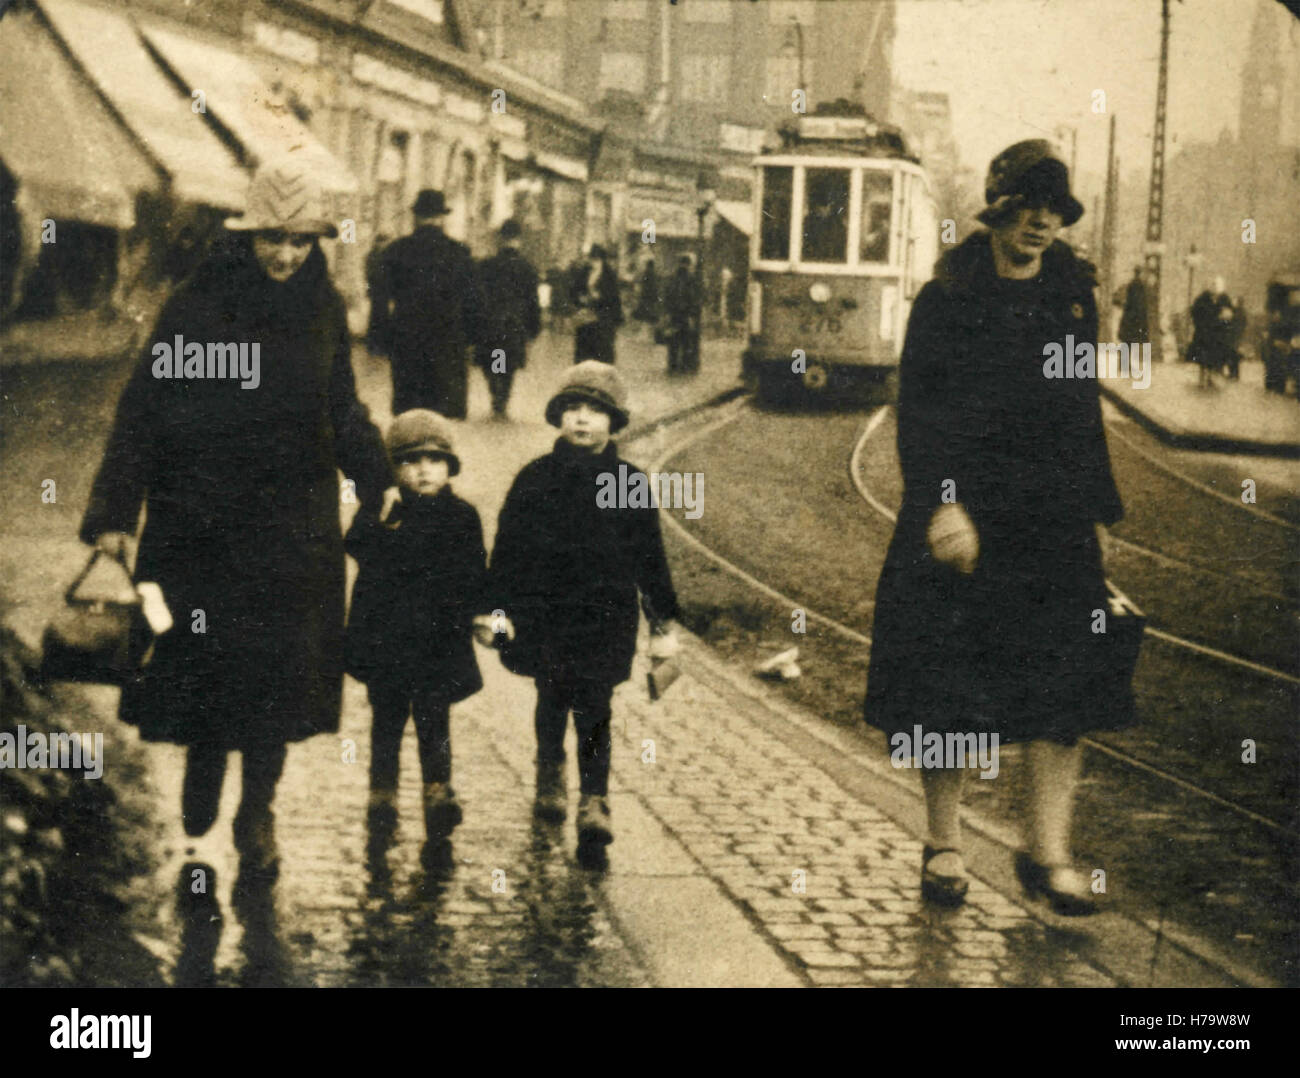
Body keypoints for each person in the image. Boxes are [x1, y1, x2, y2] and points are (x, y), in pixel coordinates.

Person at [80, 156, 392, 891]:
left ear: (316, 241)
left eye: (299, 241)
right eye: (271, 240)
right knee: (208, 668)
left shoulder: (321, 307)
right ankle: (202, 773)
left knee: (279, 683)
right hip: (203, 526)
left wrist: (377, 476)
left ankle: (258, 813)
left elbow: (341, 406)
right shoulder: (198, 306)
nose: (285, 255)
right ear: (245, 236)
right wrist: (115, 513)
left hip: (294, 528)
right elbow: (144, 410)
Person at [863, 139, 1130, 916]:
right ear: (999, 209)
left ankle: (1045, 853)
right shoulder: (947, 297)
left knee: (1064, 688)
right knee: (945, 690)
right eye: (1028, 208)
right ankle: (944, 844)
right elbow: (921, 413)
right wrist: (942, 505)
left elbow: (1081, 411)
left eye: (1055, 210)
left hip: (1051, 518)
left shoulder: (1073, 297)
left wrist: (1097, 512)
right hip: (964, 514)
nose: (1042, 223)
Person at [489, 362, 681, 850]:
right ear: (558, 416)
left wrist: (662, 623)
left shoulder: (628, 482)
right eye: (572, 409)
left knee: (595, 705)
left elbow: (649, 557)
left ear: (613, 422)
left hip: (605, 617)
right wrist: (496, 608)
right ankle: (549, 777)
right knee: (551, 697)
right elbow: (508, 549)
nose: (582, 420)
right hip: (546, 613)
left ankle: (594, 799)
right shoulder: (536, 479)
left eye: (595, 411)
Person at [344, 410, 489, 843]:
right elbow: (355, 545)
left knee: (434, 720)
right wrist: (378, 515)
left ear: (450, 467)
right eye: (410, 461)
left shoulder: (462, 515)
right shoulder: (385, 510)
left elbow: (476, 572)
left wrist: (485, 614)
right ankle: (382, 793)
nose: (424, 470)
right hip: (385, 639)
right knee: (386, 719)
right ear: (393, 470)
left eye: (434, 461)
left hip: (438, 643)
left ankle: (437, 791)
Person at [368, 189, 484, 418]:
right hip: (448, 343)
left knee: (410, 410)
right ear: (442, 217)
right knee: (442, 411)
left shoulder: (395, 251)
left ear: (415, 216)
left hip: (407, 342)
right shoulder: (460, 253)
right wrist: (473, 339)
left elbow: (379, 300)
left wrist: (379, 341)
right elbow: (474, 302)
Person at [474, 219, 541, 419]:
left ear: (500, 239)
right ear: (518, 240)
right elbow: (533, 301)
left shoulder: (487, 265)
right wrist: (533, 327)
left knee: (495, 360)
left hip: (492, 323)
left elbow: (477, 297)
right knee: (508, 364)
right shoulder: (527, 268)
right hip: (515, 324)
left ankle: (497, 393)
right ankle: (502, 396)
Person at [572, 244, 623, 364]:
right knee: (583, 355)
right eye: (591, 259)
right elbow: (574, 291)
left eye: (596, 260)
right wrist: (580, 299)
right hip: (585, 320)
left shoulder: (609, 276)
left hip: (603, 320)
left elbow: (614, 298)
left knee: (602, 355)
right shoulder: (584, 272)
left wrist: (600, 297)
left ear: (601, 260)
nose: (593, 263)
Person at [1189, 277, 1234, 388]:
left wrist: (1226, 317)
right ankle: (1202, 377)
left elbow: (1231, 313)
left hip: (1217, 334)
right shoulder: (1202, 299)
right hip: (1204, 333)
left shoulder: (1224, 299)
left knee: (1213, 357)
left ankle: (1209, 377)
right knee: (1203, 357)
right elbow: (1195, 312)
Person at [662, 254, 700, 374]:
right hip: (685, 315)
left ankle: (672, 366)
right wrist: (692, 315)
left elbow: (667, 295)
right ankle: (684, 366)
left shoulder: (672, 278)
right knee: (685, 341)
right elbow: (693, 298)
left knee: (674, 341)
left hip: (674, 314)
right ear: (689, 264)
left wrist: (667, 312)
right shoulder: (691, 279)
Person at [1118, 265, 1149, 346]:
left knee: (1128, 339)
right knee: (1135, 338)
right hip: (1137, 315)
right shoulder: (1141, 285)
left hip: (1130, 314)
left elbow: (1128, 299)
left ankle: (1124, 356)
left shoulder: (1131, 284)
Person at [633, 257, 660, 326]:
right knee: (650, 306)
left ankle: (644, 317)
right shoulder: (653, 273)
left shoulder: (646, 272)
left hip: (645, 293)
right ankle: (650, 318)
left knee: (645, 305)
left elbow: (643, 282)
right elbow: (654, 284)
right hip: (650, 293)